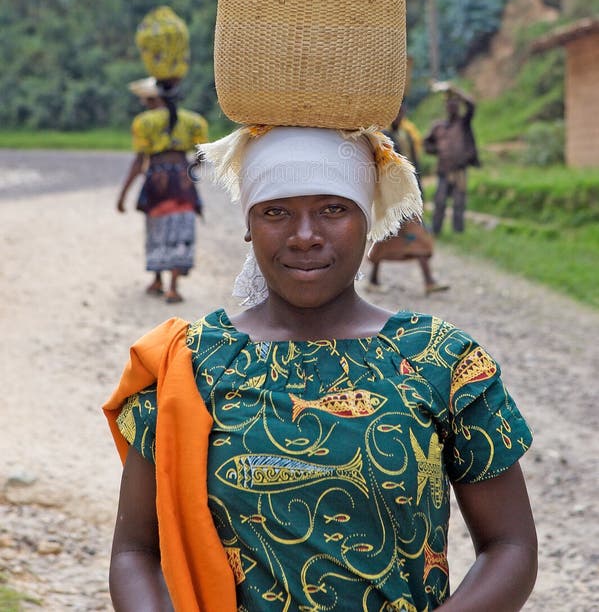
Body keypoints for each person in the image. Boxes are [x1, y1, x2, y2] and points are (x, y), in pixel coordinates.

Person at [105, 126, 537, 611]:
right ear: (248, 223)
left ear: (367, 218)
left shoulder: (437, 358)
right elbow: (136, 552)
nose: (305, 236)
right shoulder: (190, 362)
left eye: (333, 209)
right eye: (276, 212)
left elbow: (510, 547)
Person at [116, 76, 208, 304]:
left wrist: (123, 194)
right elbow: (203, 153)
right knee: (180, 228)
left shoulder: (144, 123)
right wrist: (191, 168)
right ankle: (173, 288)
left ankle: (158, 280)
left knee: (156, 227)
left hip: (156, 180)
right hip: (182, 179)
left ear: (151, 99)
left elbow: (139, 162)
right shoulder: (194, 121)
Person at [368, 103, 449, 296]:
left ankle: (426, 280)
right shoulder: (383, 138)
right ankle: (426, 280)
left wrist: (419, 191)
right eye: (396, 113)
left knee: (410, 233)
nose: (399, 116)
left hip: (409, 195)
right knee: (390, 234)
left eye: (401, 113)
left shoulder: (408, 136)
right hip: (393, 195)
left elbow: (415, 165)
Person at [424, 84, 480, 235]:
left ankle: (458, 232)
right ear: (446, 107)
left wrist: (459, 93)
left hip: (459, 171)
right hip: (443, 171)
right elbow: (426, 143)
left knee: (459, 202)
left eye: (455, 104)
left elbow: (472, 106)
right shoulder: (438, 127)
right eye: (450, 104)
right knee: (440, 202)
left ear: (458, 106)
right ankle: (436, 230)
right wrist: (437, 150)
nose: (452, 107)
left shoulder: (463, 123)